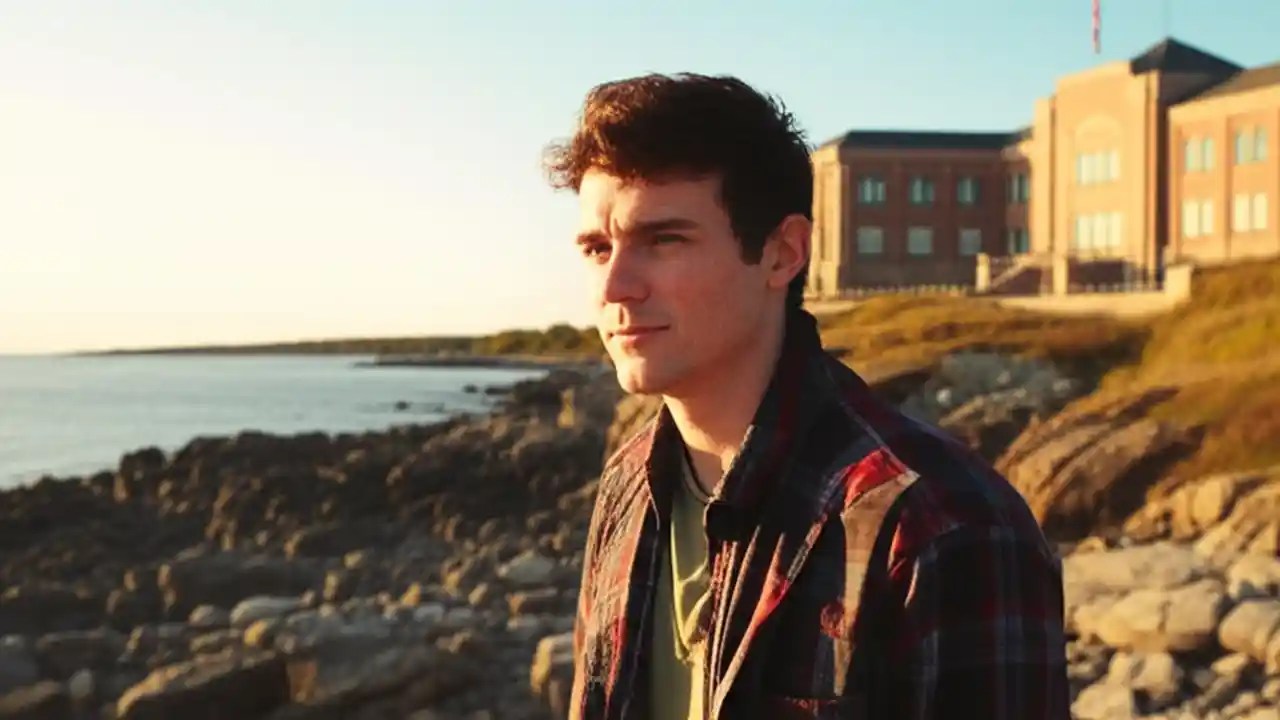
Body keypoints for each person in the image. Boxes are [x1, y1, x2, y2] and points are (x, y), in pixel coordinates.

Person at [543, 73, 1070, 720]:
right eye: (597, 248)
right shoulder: (628, 485)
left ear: (783, 253)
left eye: (664, 240)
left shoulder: (941, 527)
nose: (615, 287)